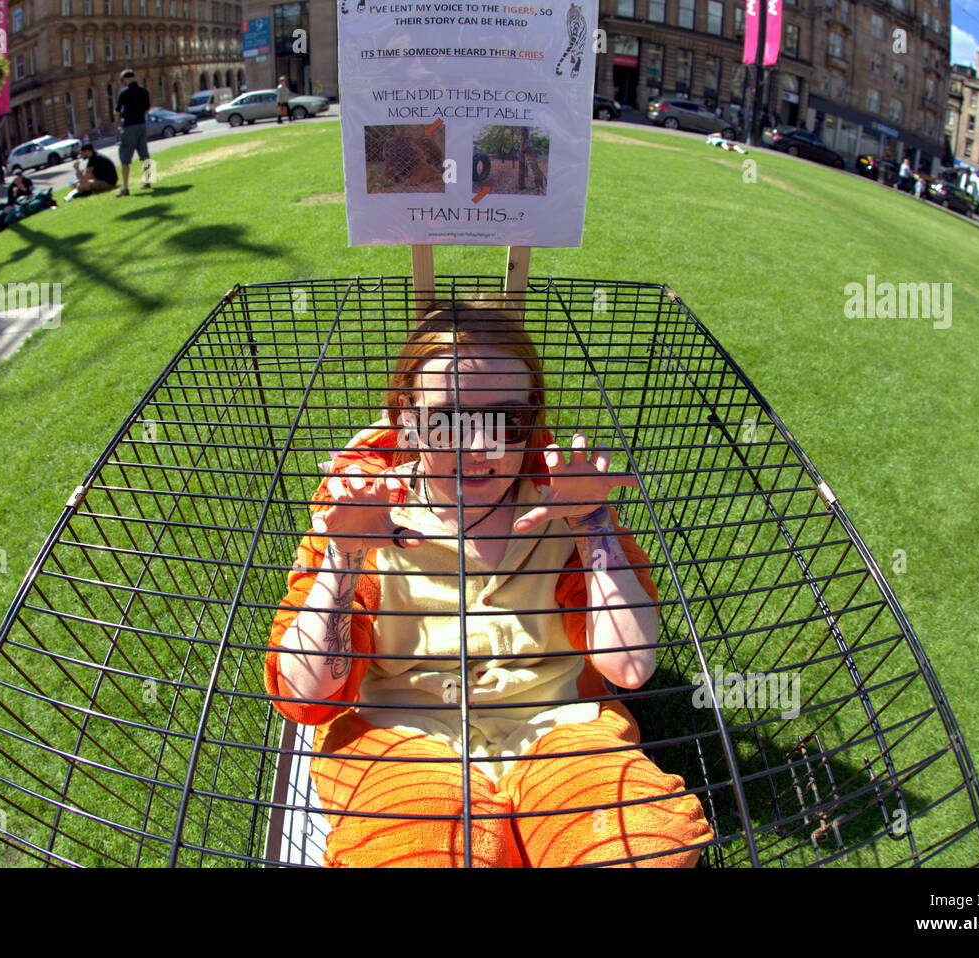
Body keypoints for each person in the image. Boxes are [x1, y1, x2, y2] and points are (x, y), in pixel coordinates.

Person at [265, 304, 715, 868]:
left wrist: (593, 523)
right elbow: (307, 698)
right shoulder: (364, 508)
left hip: (555, 725)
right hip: (396, 731)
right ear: (406, 415)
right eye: (449, 419)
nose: (480, 447)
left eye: (506, 420)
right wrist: (344, 555)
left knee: (645, 849)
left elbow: (630, 667)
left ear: (533, 416)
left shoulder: (563, 504)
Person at [114, 68, 151, 196]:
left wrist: (124, 113)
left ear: (124, 79)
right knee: (144, 154)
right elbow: (147, 110)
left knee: (125, 158)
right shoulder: (143, 91)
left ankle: (125, 187)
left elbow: (117, 111)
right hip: (141, 124)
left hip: (129, 126)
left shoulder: (124, 93)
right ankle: (148, 180)